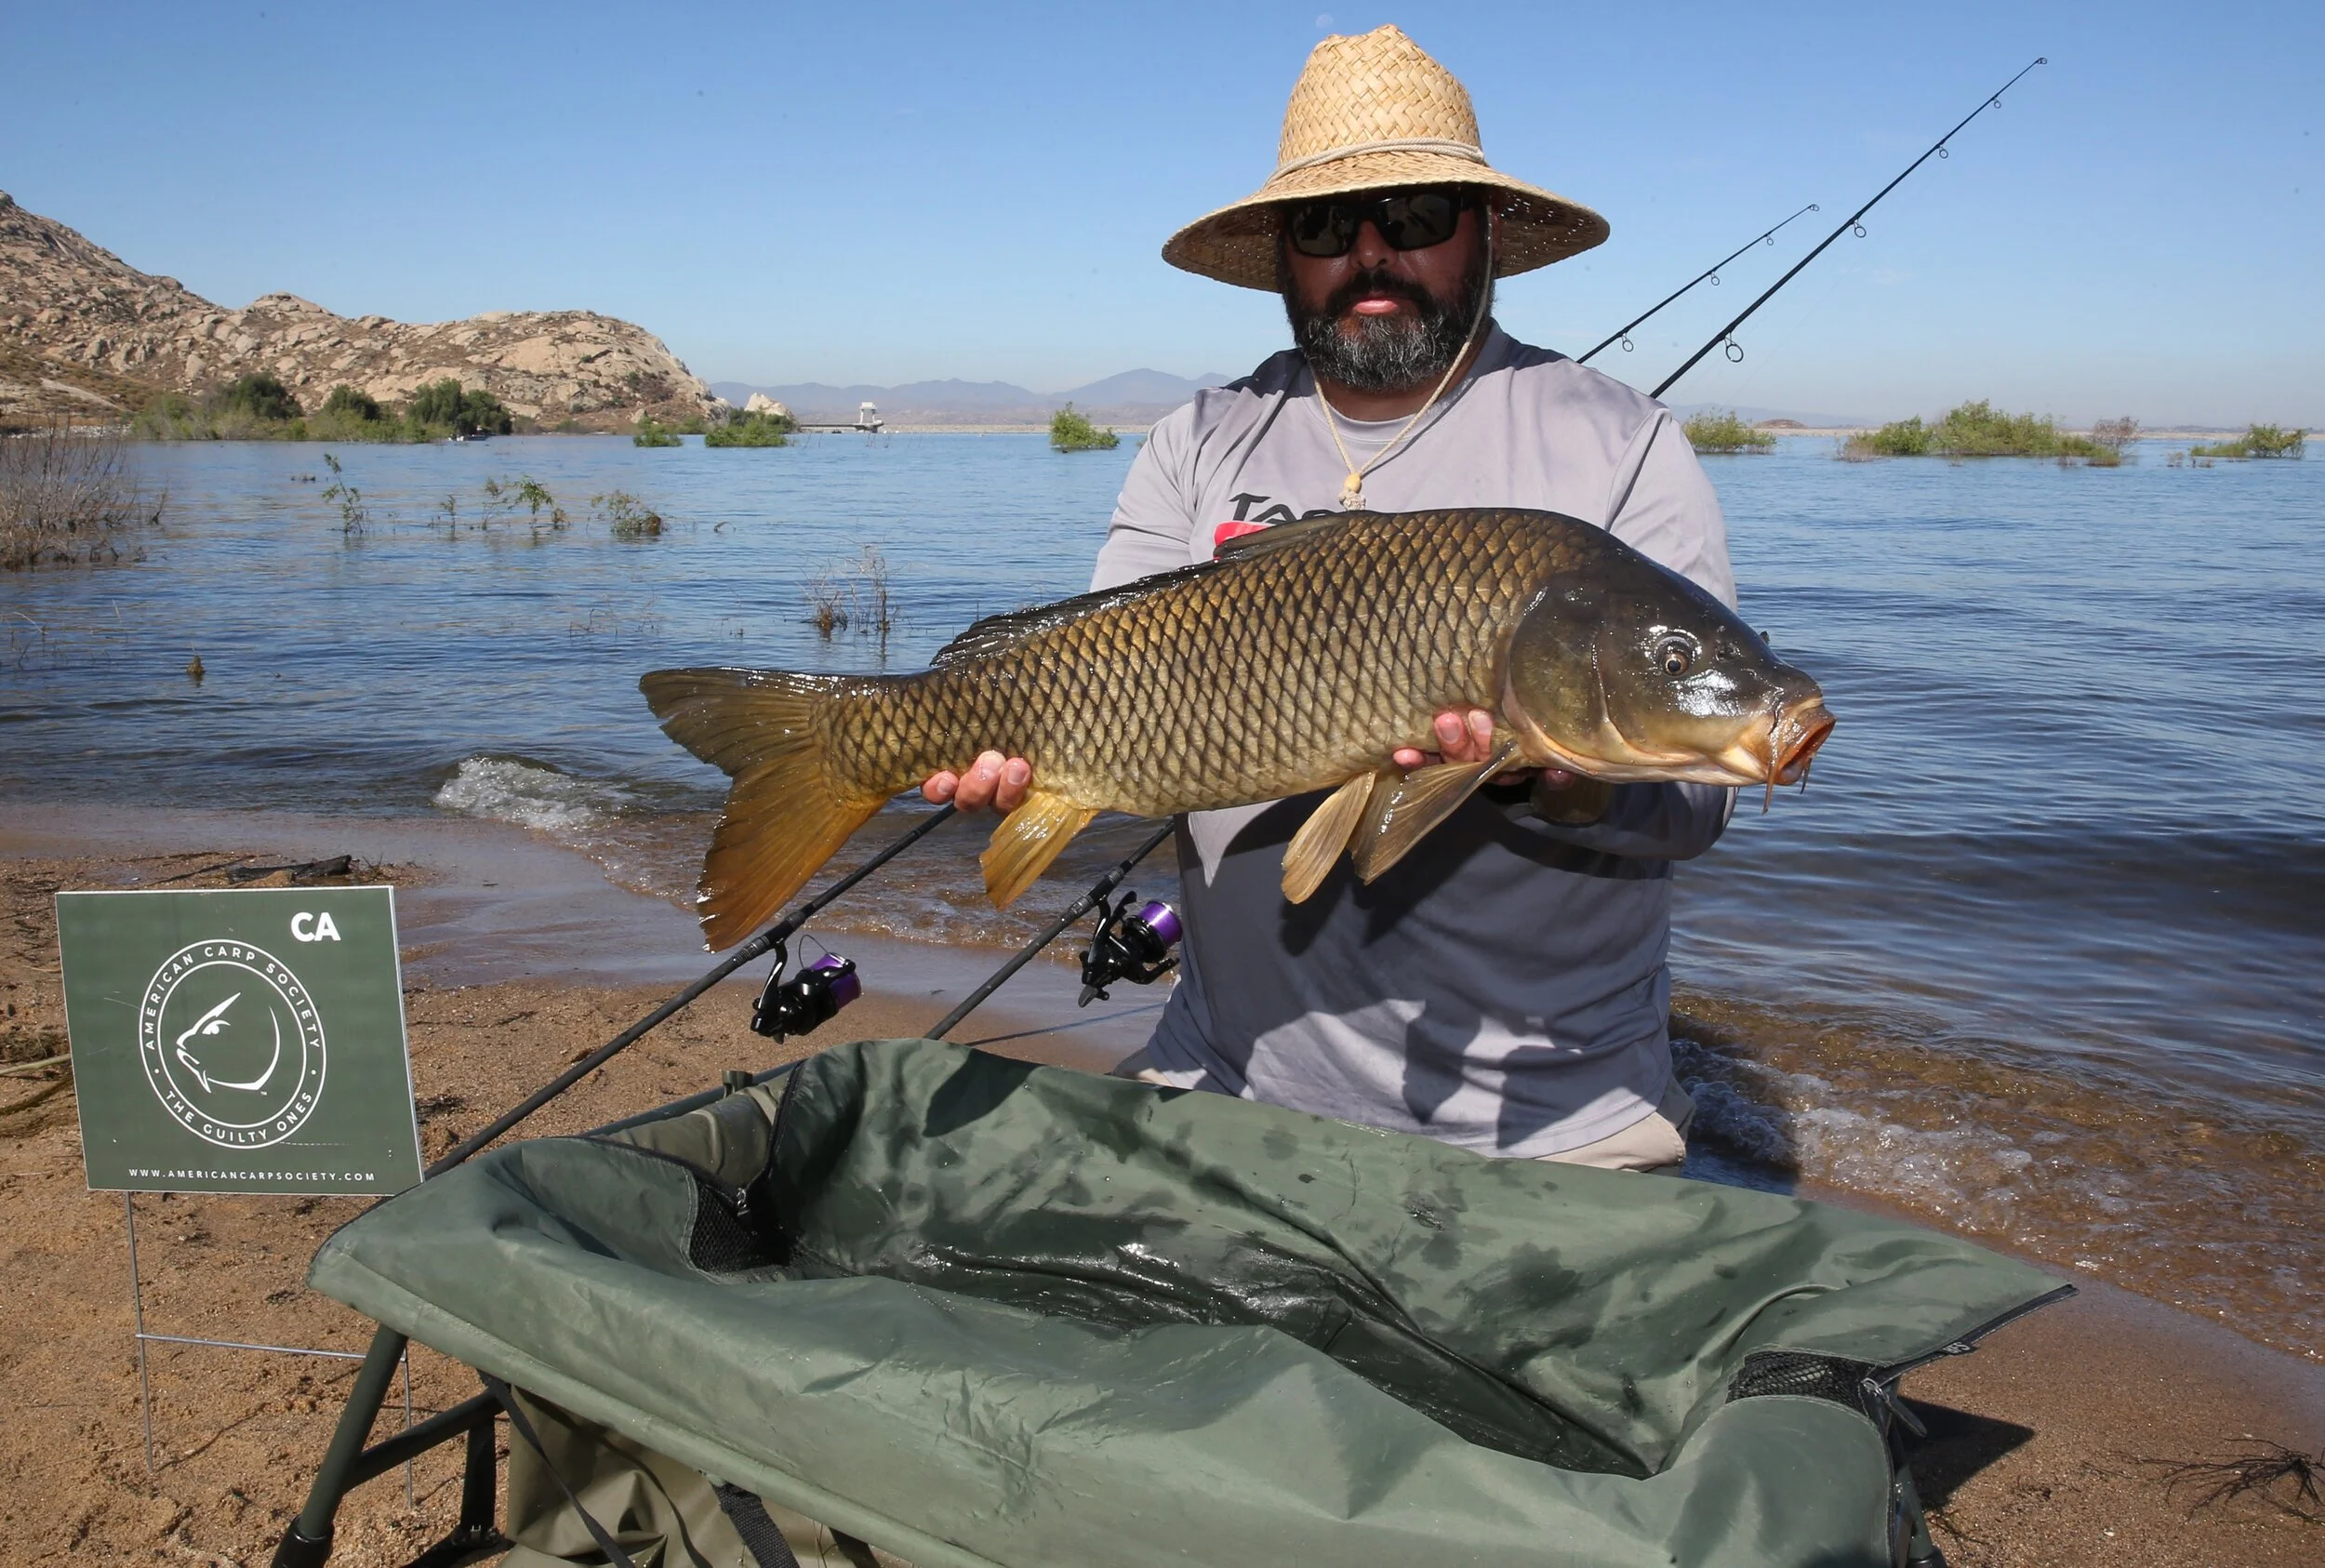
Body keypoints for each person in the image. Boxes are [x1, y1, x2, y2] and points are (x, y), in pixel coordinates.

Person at [925, 25, 1735, 1174]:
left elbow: (1693, 802)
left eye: (1410, 215)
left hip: (1545, 1126)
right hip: (1222, 1069)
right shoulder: (1197, 438)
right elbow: (1097, 689)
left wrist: (1542, 770)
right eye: (1324, 226)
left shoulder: (1618, 445)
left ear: (1483, 232)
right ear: (1280, 254)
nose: (1369, 254)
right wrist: (1008, 756)